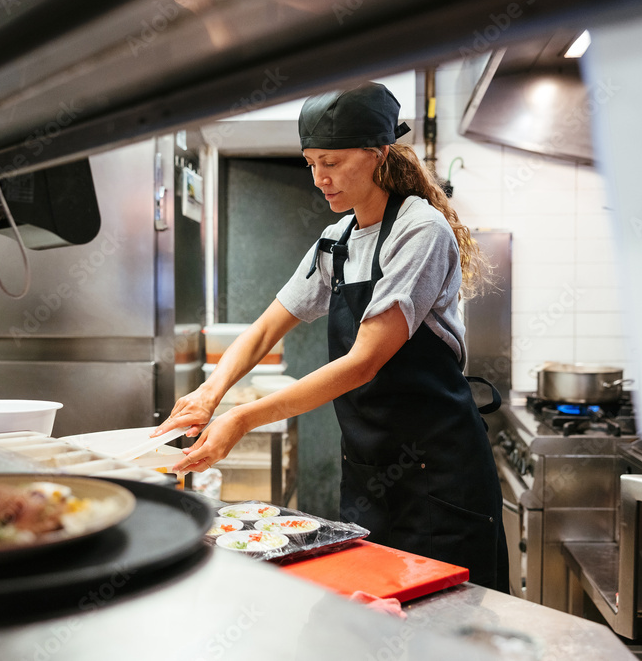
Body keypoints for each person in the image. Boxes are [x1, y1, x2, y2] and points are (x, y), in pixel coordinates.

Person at [153, 82, 509, 592]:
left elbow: (364, 362)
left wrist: (242, 418)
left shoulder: (420, 230)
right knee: (371, 616)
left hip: (439, 476)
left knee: (446, 627)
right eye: (311, 163)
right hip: (369, 473)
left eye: (332, 162)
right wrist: (209, 394)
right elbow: (264, 331)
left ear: (378, 155)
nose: (320, 179)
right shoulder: (336, 241)